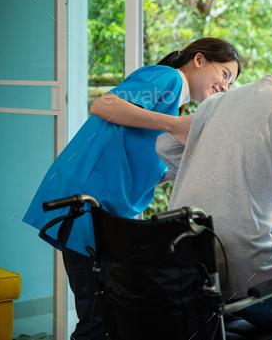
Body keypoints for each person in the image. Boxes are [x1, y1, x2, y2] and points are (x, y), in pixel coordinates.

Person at [22, 37, 241, 340]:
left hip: (103, 210)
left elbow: (140, 158)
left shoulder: (175, 108)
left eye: (231, 84)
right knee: (97, 320)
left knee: (106, 318)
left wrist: (183, 169)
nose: (225, 87)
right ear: (199, 60)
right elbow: (104, 104)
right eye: (225, 75)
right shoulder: (167, 78)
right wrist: (172, 125)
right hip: (86, 204)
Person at [156, 53, 272, 336]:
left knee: (228, 328)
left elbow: (165, 144)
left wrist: (209, 171)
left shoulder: (218, 101)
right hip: (247, 267)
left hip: (185, 264)